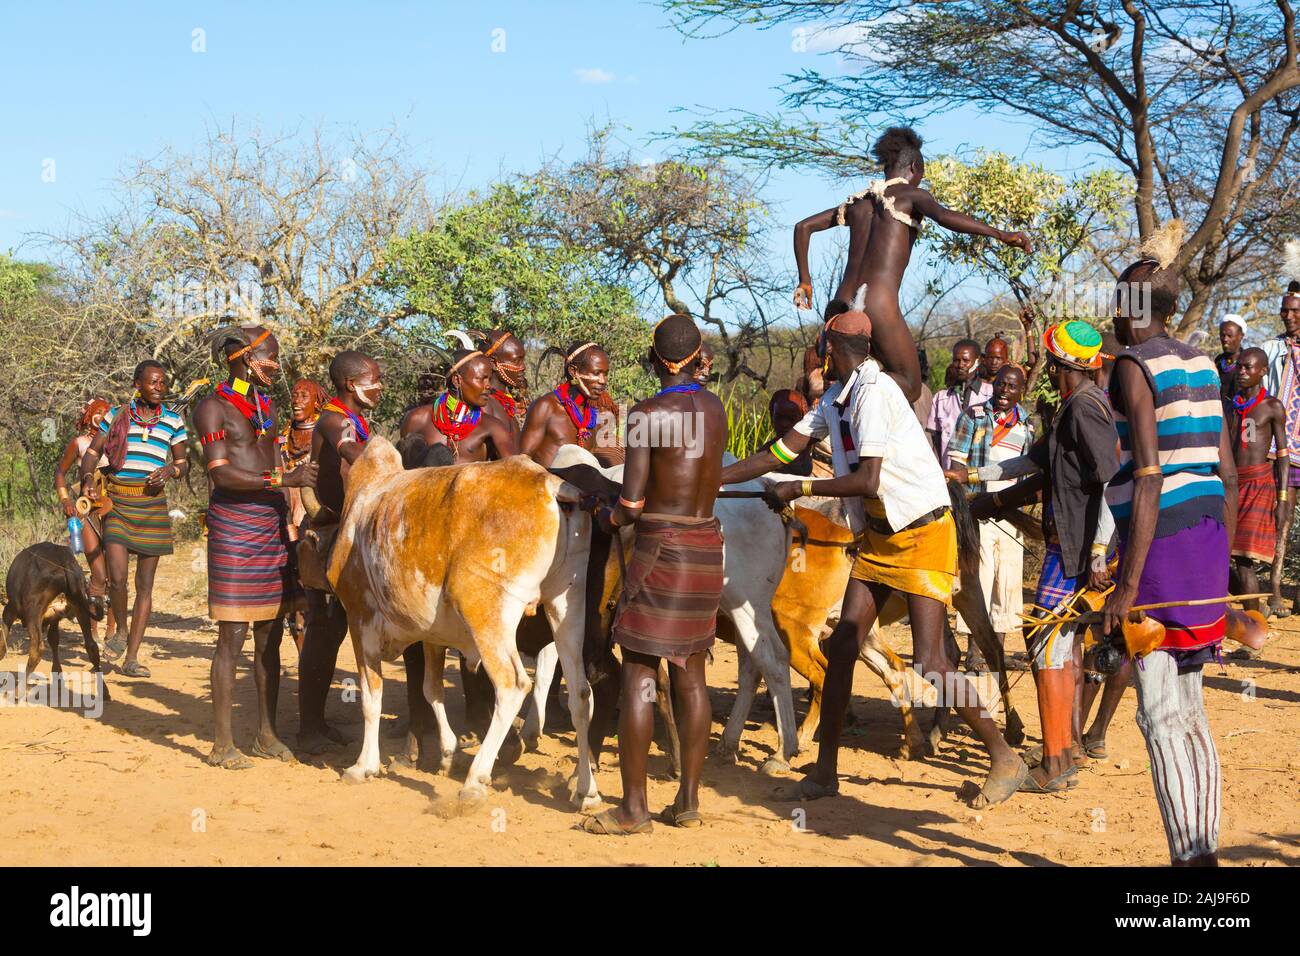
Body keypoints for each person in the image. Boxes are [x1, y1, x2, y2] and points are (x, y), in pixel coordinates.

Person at [722, 304, 1027, 808]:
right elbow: (778, 452)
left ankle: (1002, 755)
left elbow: (867, 479)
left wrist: (800, 485)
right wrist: (717, 479)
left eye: (820, 346)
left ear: (830, 347)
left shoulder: (876, 394)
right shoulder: (837, 397)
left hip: (923, 533)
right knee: (842, 647)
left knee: (930, 661)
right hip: (881, 537)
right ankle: (825, 772)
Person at [1104, 222, 1236, 866]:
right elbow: (1228, 472)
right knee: (1190, 705)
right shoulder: (1205, 361)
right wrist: (1223, 565)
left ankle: (1190, 863)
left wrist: (1127, 585)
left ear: (1133, 312)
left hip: (1159, 549)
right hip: (1206, 541)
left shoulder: (1133, 365)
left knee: (1157, 711)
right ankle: (1202, 845)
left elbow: (1149, 475)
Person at [581, 315, 727, 835]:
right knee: (691, 672)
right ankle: (687, 800)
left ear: (655, 357)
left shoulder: (646, 415)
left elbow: (632, 503)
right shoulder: (713, 408)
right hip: (707, 545)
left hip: (662, 548)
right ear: (698, 355)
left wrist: (602, 512)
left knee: (641, 674)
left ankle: (633, 809)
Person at [971, 321, 1119, 792]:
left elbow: (1113, 481)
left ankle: (1057, 763)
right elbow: (1032, 463)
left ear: (1057, 365)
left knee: (1046, 642)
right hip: (1070, 544)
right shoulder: (1072, 407)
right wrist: (972, 475)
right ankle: (1064, 748)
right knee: (1060, 642)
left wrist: (1099, 551)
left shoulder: (1085, 411)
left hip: (1077, 548)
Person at [792, 126, 1031, 403]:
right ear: (914, 167)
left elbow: (803, 227)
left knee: (858, 376)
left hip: (840, 303)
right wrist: (1001, 234)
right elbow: (944, 216)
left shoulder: (858, 202)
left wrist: (805, 280)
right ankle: (860, 412)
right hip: (876, 304)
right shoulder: (911, 196)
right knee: (910, 383)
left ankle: (842, 408)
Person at [193, 326, 318, 769]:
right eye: (270, 358)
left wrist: (292, 504)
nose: (276, 366)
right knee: (233, 636)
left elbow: (276, 462)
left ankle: (267, 734)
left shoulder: (264, 405)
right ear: (245, 358)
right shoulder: (212, 407)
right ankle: (222, 745)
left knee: (270, 636)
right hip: (234, 527)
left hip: (270, 524)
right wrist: (282, 480)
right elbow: (221, 474)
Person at [79, 361, 190, 678]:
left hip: (152, 504)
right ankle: (121, 629)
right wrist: (88, 477)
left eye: (164, 382)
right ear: (137, 383)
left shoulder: (173, 420)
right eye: (154, 381)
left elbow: (183, 462)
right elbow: (92, 452)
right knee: (117, 577)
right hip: (117, 503)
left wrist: (169, 470)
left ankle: (131, 657)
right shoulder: (116, 415)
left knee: (145, 586)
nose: (160, 386)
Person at [297, 350, 383, 754]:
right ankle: (308, 728)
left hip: (345, 529)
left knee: (332, 629)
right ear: (352, 384)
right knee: (323, 629)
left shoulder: (351, 419)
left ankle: (317, 721)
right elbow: (353, 454)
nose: (380, 387)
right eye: (374, 380)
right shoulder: (333, 419)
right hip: (327, 532)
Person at [944, 364, 1033, 669]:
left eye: (1012, 387)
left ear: (1021, 390)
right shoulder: (973, 415)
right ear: (993, 384)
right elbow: (955, 463)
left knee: (1006, 581)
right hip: (976, 509)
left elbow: (1026, 470)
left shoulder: (1027, 425)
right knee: (978, 579)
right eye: (1001, 385)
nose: (1005, 392)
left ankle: (998, 652)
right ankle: (974, 652)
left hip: (1010, 511)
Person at [1228, 347, 1288, 623]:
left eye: (1248, 367)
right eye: (1239, 366)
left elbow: (1284, 456)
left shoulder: (1272, 407)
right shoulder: (1232, 404)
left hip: (1259, 484)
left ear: (1263, 371)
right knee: (1219, 553)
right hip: (1230, 484)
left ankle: (1252, 626)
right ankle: (1254, 611)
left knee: (1243, 561)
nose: (1241, 371)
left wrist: (1283, 499)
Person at [54, 398, 115, 643]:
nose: (101, 416)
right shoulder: (79, 443)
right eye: (97, 412)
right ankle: (92, 631)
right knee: (99, 574)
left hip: (114, 510)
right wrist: (66, 500)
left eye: (106, 413)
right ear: (88, 415)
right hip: (87, 511)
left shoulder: (117, 442)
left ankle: (114, 631)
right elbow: (60, 471)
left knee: (116, 576)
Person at [1262, 282, 1300, 616]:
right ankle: (1274, 589)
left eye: (1295, 311)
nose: (1288, 316)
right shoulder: (1272, 348)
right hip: (1282, 446)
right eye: (1285, 310)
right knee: (1281, 516)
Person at [520, 341, 616, 467]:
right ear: (573, 371)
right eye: (596, 373)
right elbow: (520, 462)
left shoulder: (595, 416)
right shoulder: (546, 407)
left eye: (606, 374)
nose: (603, 381)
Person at [926, 339, 992, 469]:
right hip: (949, 474)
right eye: (956, 360)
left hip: (980, 474)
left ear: (977, 361)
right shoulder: (941, 398)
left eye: (966, 360)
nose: (960, 365)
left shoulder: (990, 394)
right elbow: (935, 439)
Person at [764, 390, 813, 476]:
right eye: (779, 417)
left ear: (803, 419)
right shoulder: (764, 452)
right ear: (772, 417)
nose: (784, 424)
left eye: (791, 418)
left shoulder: (802, 457)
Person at [1215, 314, 1246, 397]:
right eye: (1222, 335)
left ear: (1241, 336)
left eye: (1229, 336)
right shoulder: (1218, 361)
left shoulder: (1247, 362)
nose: (1225, 339)